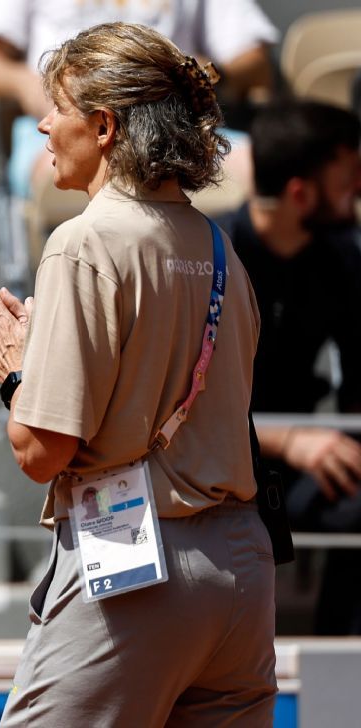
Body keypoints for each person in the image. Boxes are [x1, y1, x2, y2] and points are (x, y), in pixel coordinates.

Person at [0, 23, 273, 725]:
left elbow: (43, 451)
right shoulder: (220, 247)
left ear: (103, 126)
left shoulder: (83, 240)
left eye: (55, 108)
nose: (41, 123)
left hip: (136, 564)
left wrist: (16, 371)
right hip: (242, 570)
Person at [216, 101, 361, 635]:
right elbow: (177, 405)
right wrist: (290, 438)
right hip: (209, 461)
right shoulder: (209, 255)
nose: (359, 188)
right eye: (348, 177)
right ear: (300, 193)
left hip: (304, 459)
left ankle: (344, 664)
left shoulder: (344, 260)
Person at [0, 0, 277, 199]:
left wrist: (195, 75)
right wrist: (27, 85)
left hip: (172, 123)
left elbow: (253, 60)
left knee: (261, 170)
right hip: (65, 124)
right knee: (68, 180)